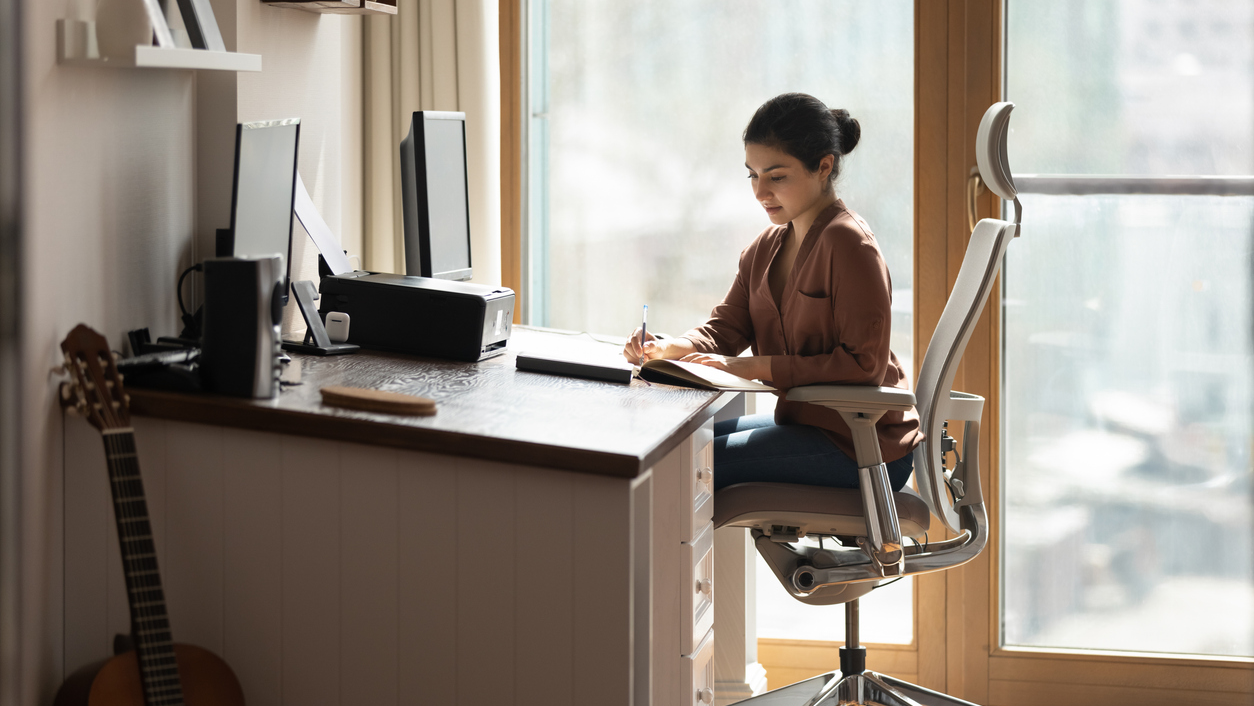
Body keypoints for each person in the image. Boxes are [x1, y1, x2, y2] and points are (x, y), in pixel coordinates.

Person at [622, 92, 921, 492]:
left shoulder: (850, 245)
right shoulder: (766, 247)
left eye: (776, 176)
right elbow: (726, 328)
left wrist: (755, 368)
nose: (760, 192)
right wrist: (670, 347)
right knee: (678, 453)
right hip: (809, 425)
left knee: (685, 470)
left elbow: (863, 365)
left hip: (862, 446)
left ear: (823, 167)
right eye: (753, 175)